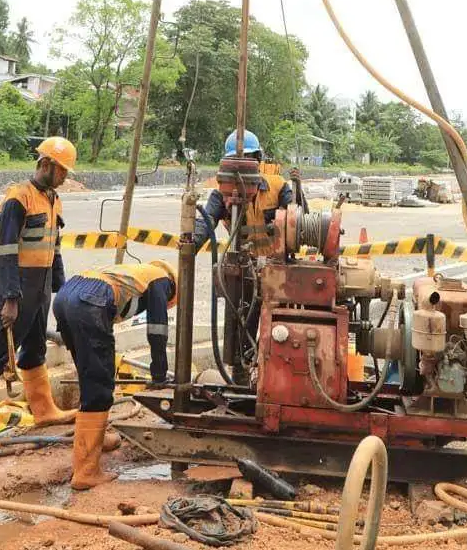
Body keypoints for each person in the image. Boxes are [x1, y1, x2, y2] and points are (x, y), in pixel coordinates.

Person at [0, 136, 79, 452]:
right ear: (46, 164)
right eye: (62, 172)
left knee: (35, 348)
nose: (65, 179)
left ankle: (44, 411)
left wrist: (60, 287)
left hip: (40, 287)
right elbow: (7, 252)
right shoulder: (18, 199)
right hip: (18, 285)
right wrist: (11, 298)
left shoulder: (53, 200)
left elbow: (54, 246)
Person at [54, 260, 178, 489]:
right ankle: (86, 473)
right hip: (89, 301)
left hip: (66, 295)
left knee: (88, 374)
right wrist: (159, 376)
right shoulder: (161, 280)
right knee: (100, 385)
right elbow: (157, 330)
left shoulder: (135, 274)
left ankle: (95, 442)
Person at [193, 129, 294, 258]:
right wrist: (193, 242)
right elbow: (207, 220)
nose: (242, 165)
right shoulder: (221, 193)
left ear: (257, 159)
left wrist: (298, 195)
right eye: (236, 159)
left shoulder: (278, 186)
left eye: (247, 158)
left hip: (277, 264)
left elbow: (298, 219)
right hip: (242, 265)